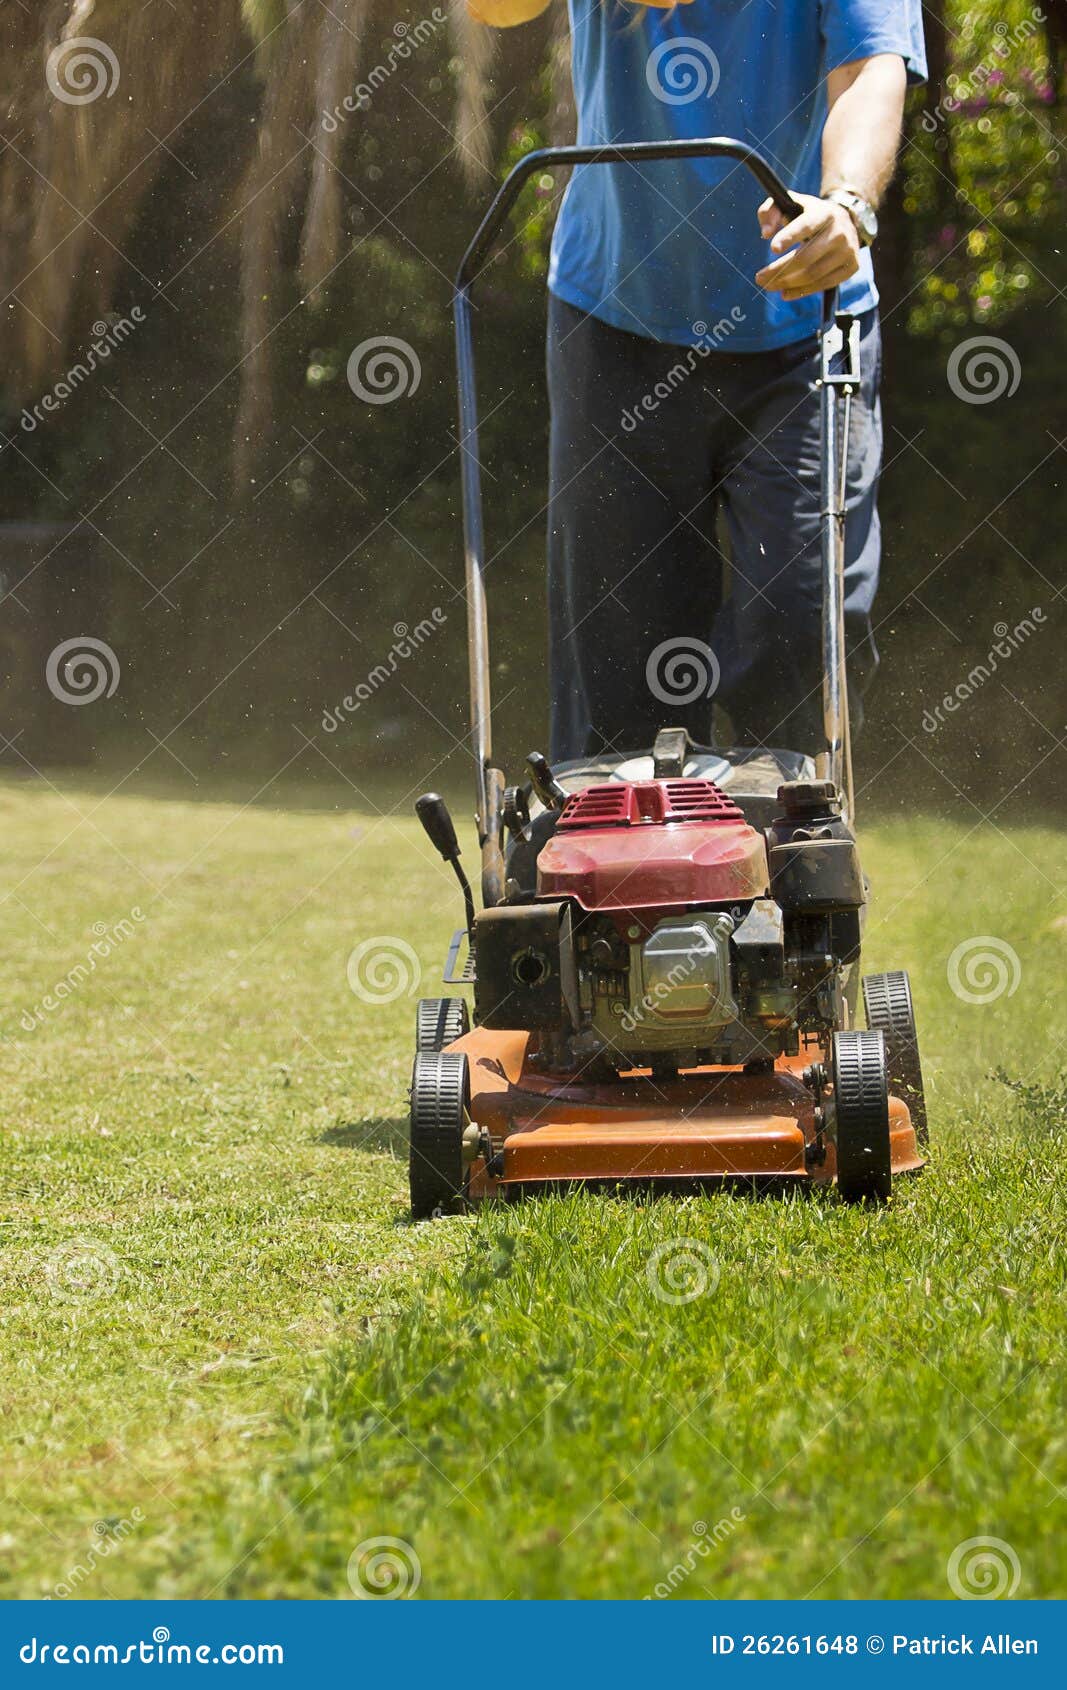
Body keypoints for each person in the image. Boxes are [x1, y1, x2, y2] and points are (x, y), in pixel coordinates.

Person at [466, 0, 926, 762]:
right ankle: (628, 866)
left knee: (799, 626)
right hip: (613, 320)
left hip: (804, 330)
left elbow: (870, 65)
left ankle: (793, 850)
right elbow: (493, 8)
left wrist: (847, 204)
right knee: (619, 673)